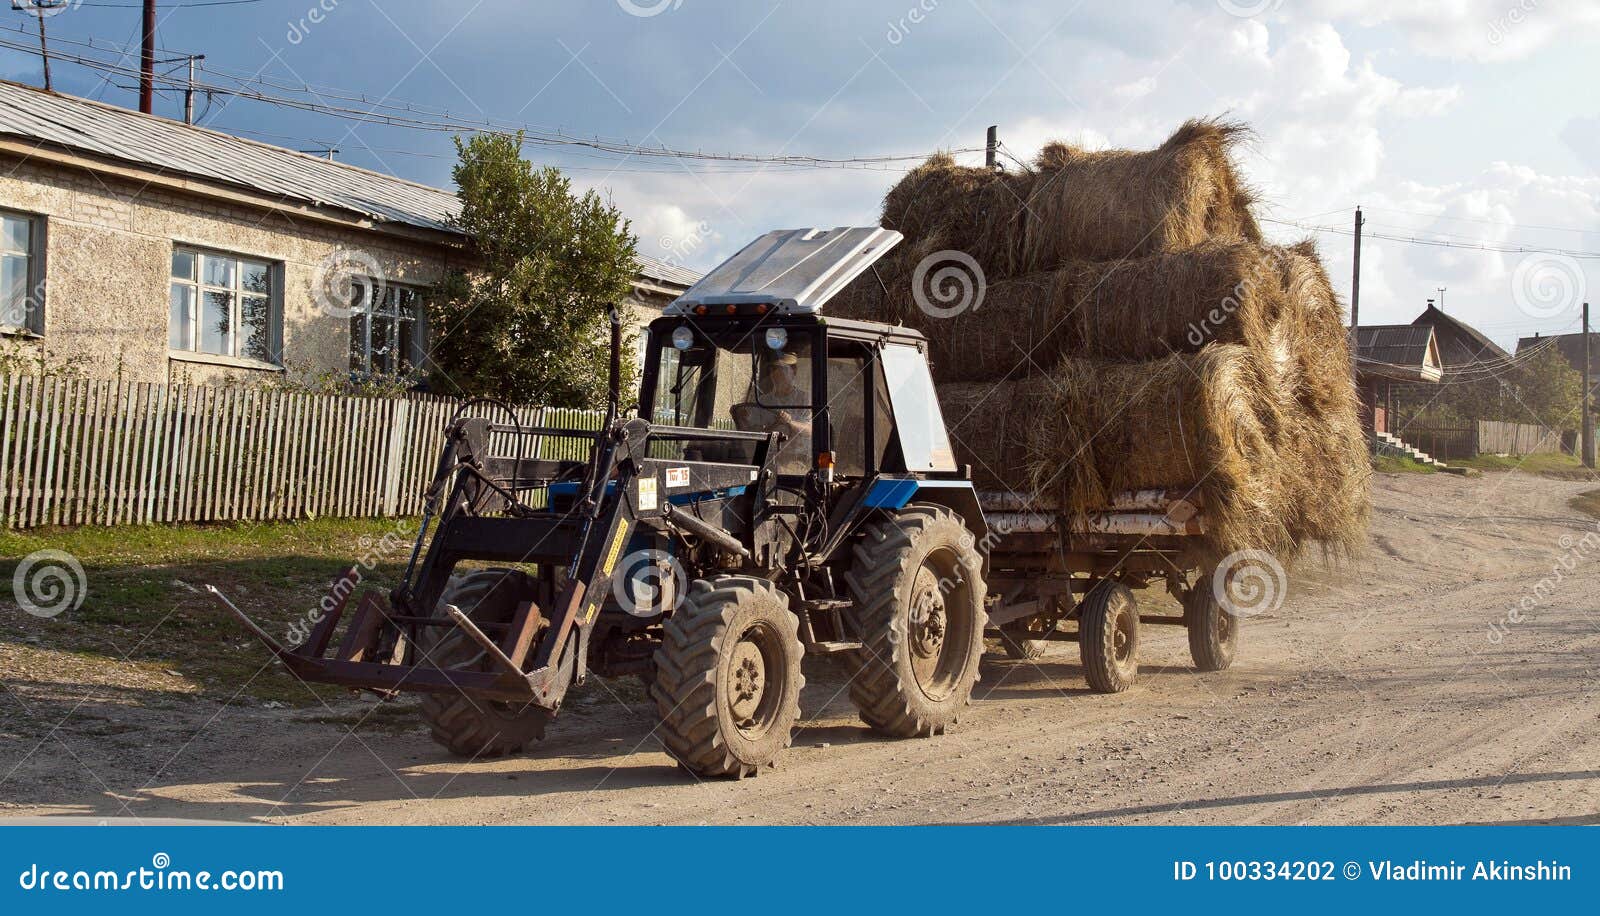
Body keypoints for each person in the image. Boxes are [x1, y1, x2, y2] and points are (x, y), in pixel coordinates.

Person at [732, 349, 812, 473]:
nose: (776, 374)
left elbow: (811, 430)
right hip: (767, 460)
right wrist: (740, 416)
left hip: (796, 462)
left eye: (782, 369)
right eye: (773, 369)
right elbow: (750, 432)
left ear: (794, 371)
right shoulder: (763, 401)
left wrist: (790, 422)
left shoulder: (804, 399)